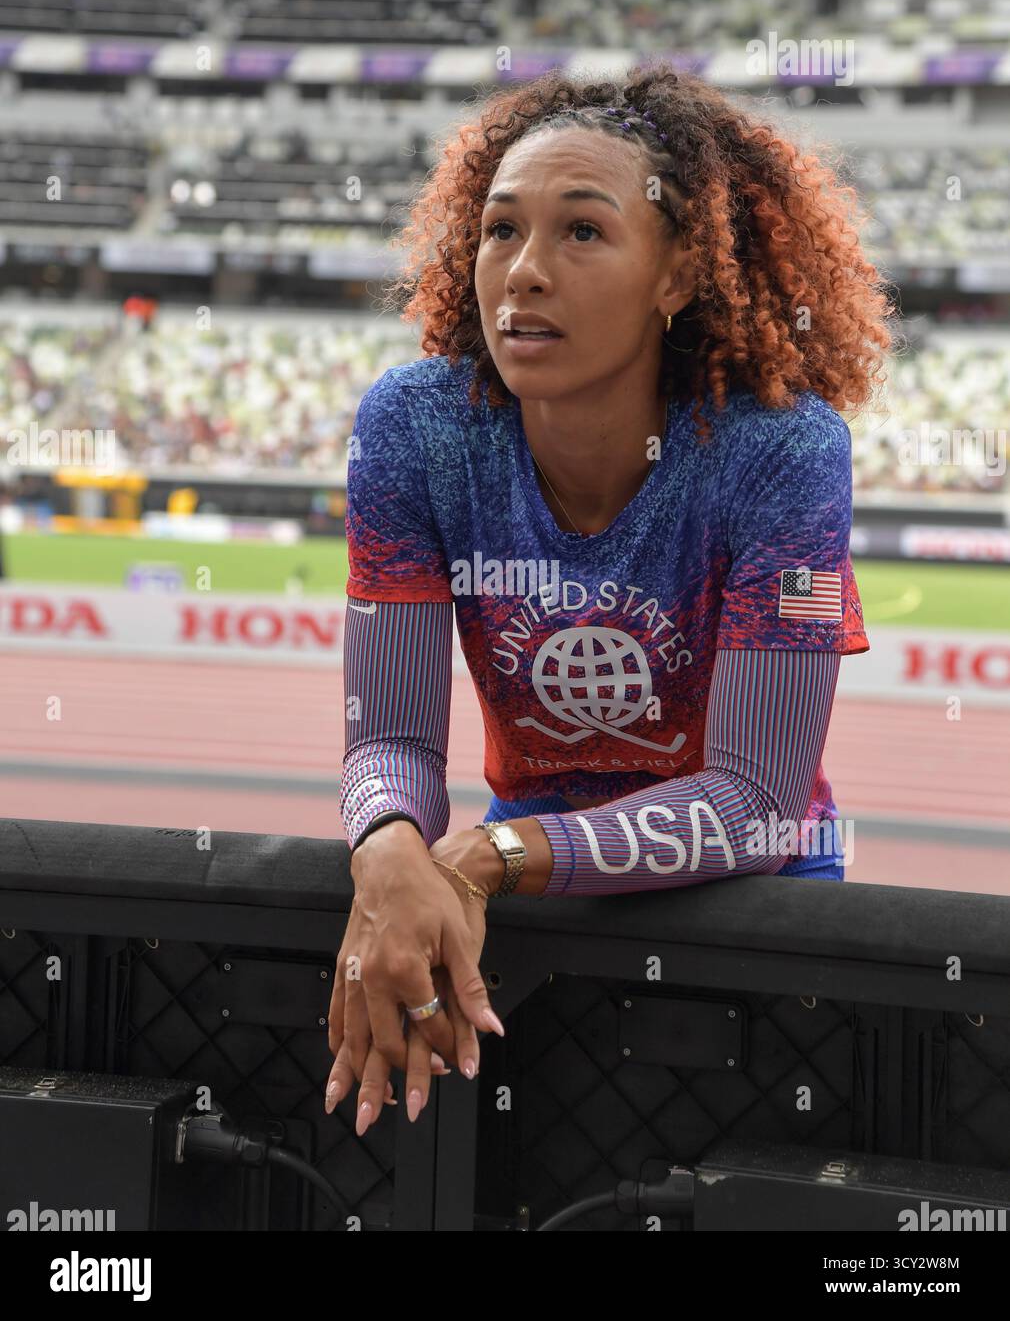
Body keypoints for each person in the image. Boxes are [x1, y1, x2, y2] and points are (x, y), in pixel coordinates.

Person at [326, 63, 894, 1138]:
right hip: (520, 892)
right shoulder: (415, 426)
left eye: (581, 232)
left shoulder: (782, 449)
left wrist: (489, 857)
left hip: (753, 895)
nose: (523, 273)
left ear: (678, 273)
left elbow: (758, 803)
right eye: (499, 231)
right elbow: (388, 739)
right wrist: (390, 849)